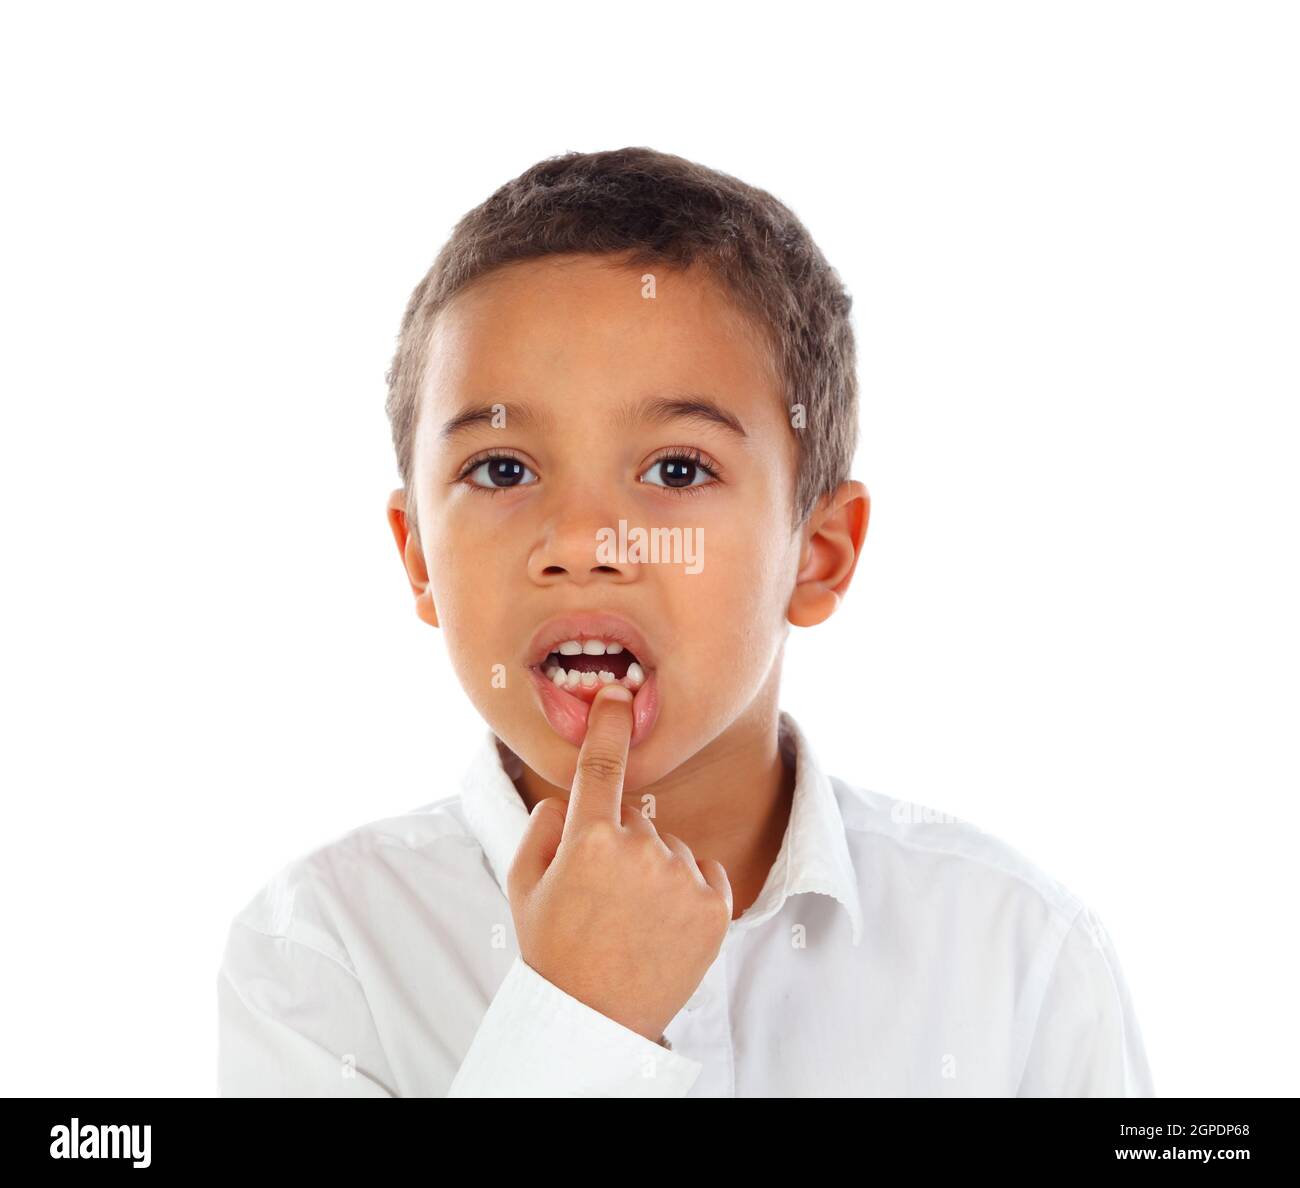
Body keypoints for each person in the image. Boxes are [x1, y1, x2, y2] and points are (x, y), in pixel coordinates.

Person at [216, 147, 1154, 1097]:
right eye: (503, 470)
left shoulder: (1022, 959)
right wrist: (574, 1016)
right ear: (418, 556)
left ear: (818, 552)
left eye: (676, 470)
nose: (582, 541)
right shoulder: (320, 957)